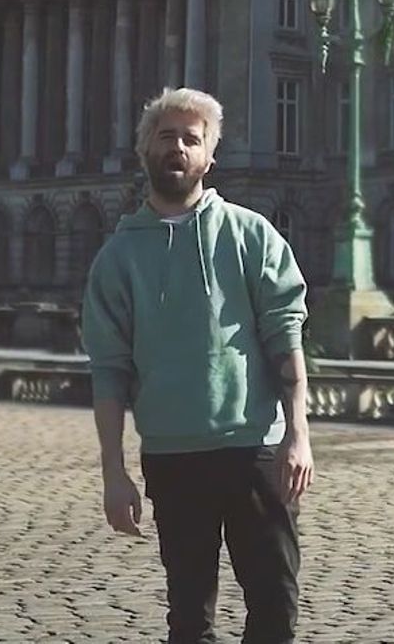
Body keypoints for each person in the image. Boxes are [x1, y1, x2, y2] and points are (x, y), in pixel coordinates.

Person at [82, 87, 312, 643]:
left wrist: (299, 435)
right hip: (173, 454)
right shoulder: (118, 257)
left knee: (275, 605)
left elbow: (285, 335)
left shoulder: (250, 234)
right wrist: (115, 472)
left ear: (210, 155)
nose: (179, 148)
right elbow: (108, 370)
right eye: (168, 137)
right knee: (189, 617)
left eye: (193, 138)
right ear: (146, 152)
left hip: (255, 447)